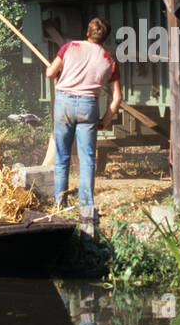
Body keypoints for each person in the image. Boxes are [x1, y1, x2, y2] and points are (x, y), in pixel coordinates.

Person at [44, 17, 122, 209]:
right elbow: (117, 98)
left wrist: (58, 73)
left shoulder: (70, 47)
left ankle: (59, 203)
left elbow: (50, 73)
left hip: (64, 103)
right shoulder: (109, 61)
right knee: (87, 158)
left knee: (62, 156)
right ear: (105, 38)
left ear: (87, 33)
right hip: (89, 106)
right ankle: (86, 206)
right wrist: (105, 119)